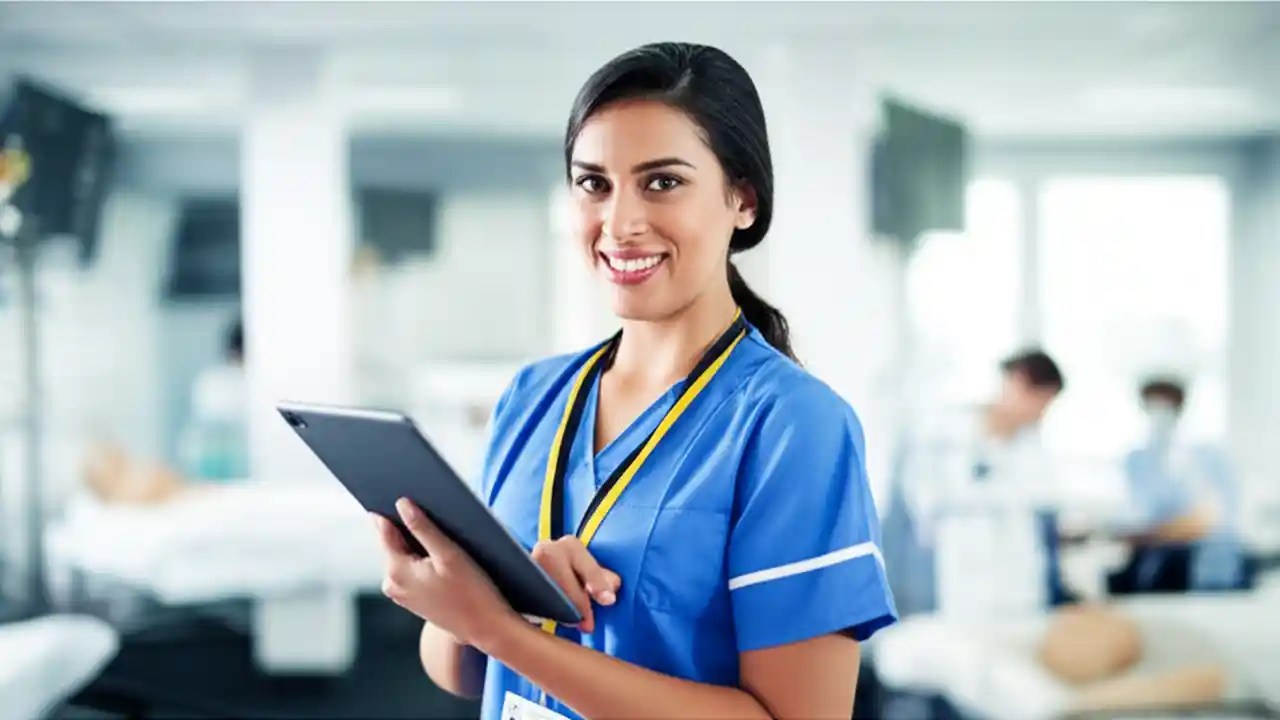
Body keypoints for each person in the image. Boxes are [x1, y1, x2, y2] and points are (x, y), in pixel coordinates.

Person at [368, 42, 896, 720]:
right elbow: (461, 672)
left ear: (743, 199)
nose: (619, 224)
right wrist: (466, 607)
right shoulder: (534, 397)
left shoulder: (793, 427)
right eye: (594, 184)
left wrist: (502, 631)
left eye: (662, 182)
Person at [884, 349, 1068, 618]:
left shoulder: (1033, 451)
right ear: (1017, 383)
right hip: (960, 582)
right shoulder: (942, 435)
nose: (1040, 414)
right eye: (1041, 402)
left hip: (1021, 587)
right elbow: (916, 517)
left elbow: (1043, 517)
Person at [1109, 378, 1246, 594]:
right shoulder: (1137, 459)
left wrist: (1172, 529)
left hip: (1207, 558)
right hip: (1158, 556)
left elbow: (1214, 517)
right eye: (1151, 406)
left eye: (1164, 406)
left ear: (1180, 407)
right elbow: (1138, 513)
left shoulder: (1207, 455)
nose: (1158, 414)